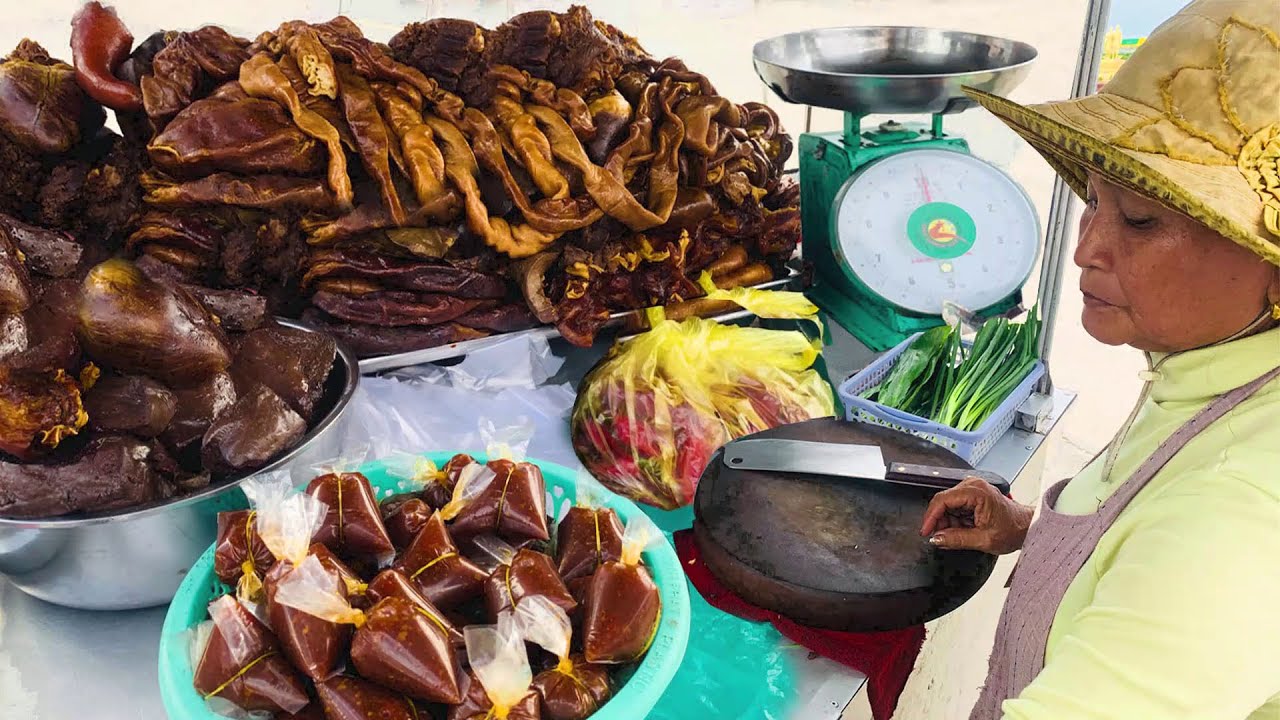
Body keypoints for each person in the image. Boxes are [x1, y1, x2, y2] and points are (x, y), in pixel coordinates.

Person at [918, 1, 1280, 717]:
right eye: (1092, 199)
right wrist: (1035, 530)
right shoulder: (1213, 363)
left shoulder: (1243, 514)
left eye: (1142, 220)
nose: (1086, 249)